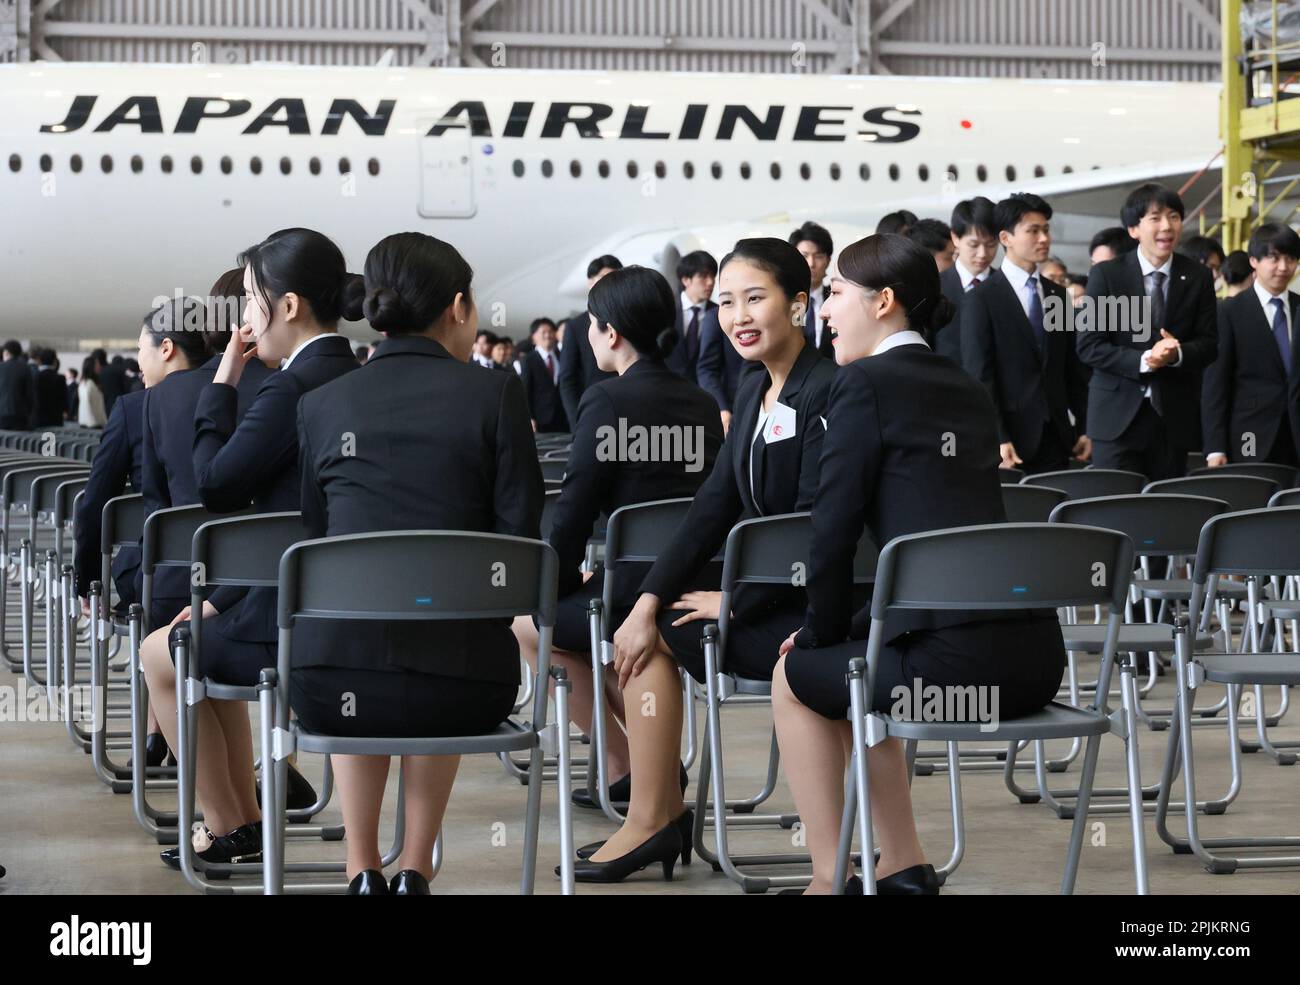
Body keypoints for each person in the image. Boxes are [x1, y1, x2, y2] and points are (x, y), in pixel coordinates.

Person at [773, 233, 1067, 894]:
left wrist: (817, 630)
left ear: (883, 301)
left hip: (950, 668)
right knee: (856, 661)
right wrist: (843, 628)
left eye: (835, 293)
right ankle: (901, 865)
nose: (823, 310)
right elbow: (941, 537)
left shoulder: (860, 385)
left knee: (796, 677)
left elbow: (831, 532)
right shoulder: (963, 385)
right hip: (1033, 663)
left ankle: (828, 878)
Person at [295, 232, 544, 894]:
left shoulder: (320, 404)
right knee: (441, 638)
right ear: (459, 307)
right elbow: (521, 542)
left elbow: (315, 539)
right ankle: (414, 864)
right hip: (461, 686)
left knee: (357, 637)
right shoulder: (494, 396)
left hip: (328, 680)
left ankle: (360, 864)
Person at [581, 238, 836, 882]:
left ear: (799, 305)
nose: (737, 315)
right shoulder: (752, 390)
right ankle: (653, 814)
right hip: (770, 597)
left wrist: (734, 600)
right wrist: (642, 602)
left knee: (668, 632)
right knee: (652, 626)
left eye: (756, 298)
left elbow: (819, 525)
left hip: (815, 611)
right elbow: (710, 509)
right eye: (725, 302)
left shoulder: (829, 391)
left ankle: (655, 818)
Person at [139, 228, 360, 873]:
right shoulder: (356, 373)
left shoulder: (290, 388)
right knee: (195, 639)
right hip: (347, 596)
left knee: (164, 652)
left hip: (291, 605)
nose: (242, 318)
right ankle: (239, 820)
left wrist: (225, 380)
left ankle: (228, 821)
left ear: (286, 307)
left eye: (252, 300)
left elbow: (214, 486)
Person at [511, 266, 723, 813]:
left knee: (534, 625)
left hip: (631, 592)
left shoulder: (606, 400)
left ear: (611, 333)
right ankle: (643, 765)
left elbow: (574, 511)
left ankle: (623, 763)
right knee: (583, 629)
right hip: (696, 584)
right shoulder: (700, 401)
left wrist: (552, 585)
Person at [1076, 183, 1218, 480]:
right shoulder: (1107, 275)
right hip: (1116, 419)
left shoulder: (1197, 276)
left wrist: (1175, 353)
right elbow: (1089, 345)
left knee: (1165, 513)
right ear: (1133, 229)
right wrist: (1144, 360)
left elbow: (1209, 344)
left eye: (1174, 217)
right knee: (1114, 510)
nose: (1167, 226)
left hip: (1173, 419)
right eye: (1155, 218)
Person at [962, 193, 1090, 473]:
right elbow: (980, 376)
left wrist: (1084, 426)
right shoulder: (981, 299)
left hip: (1058, 436)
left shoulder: (1057, 294)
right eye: (1032, 231)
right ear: (1006, 238)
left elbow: (1071, 369)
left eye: (1045, 230)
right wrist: (998, 435)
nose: (1043, 238)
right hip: (1009, 443)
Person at [1202, 222, 1300, 468]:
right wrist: (1215, 447)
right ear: (1254, 261)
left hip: (1297, 434)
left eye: (1291, 259)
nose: (1283, 267)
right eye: (1274, 258)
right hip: (1250, 434)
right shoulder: (1229, 312)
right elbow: (1216, 384)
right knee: (1253, 498)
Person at [558, 255, 622, 424]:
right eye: (604, 278)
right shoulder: (576, 326)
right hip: (595, 413)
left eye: (615, 278)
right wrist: (577, 422)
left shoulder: (630, 318)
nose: (610, 284)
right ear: (590, 283)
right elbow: (568, 380)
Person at [934, 196, 998, 365]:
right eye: (974, 245)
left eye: (991, 244)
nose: (983, 253)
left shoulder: (1007, 288)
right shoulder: (935, 288)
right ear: (955, 238)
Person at [665, 250, 718, 381]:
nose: (711, 282)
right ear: (686, 280)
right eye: (703, 276)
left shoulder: (719, 313)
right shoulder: (665, 310)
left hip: (705, 393)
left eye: (713, 276)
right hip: (668, 388)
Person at [790, 221, 835, 359]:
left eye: (818, 256)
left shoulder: (836, 300)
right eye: (804, 256)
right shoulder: (785, 301)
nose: (811, 263)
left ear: (828, 260)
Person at [520, 316, 567, 432]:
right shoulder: (528, 359)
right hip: (540, 419)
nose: (548, 335)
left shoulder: (563, 356)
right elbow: (525, 390)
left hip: (563, 418)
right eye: (543, 332)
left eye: (551, 331)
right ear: (533, 337)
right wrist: (529, 417)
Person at [0, 340, 34, 429]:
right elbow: (29, 394)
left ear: (6, 352)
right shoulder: (26, 368)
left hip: (2, 414)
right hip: (20, 416)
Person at [31, 349, 67, 428]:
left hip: (39, 420)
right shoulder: (61, 378)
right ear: (54, 361)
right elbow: (64, 399)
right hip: (56, 419)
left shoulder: (35, 377)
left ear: (39, 361)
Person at [76, 355, 107, 427]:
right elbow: (87, 405)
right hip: (92, 424)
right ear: (91, 366)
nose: (99, 366)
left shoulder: (87, 383)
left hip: (91, 423)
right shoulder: (88, 384)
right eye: (97, 364)